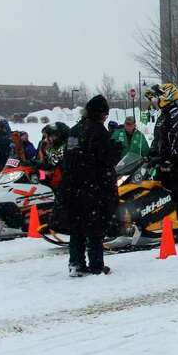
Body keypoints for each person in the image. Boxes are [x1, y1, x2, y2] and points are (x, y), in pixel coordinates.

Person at [59, 95, 119, 276]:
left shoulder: (75, 130)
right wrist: (116, 149)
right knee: (95, 228)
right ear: (100, 114)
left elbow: (69, 156)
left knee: (77, 229)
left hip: (73, 186)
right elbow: (106, 159)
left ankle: (75, 263)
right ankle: (96, 265)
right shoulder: (98, 131)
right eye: (105, 114)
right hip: (93, 187)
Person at [145, 82, 178, 225]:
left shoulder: (177, 115)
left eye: (157, 97)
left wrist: (171, 160)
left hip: (174, 166)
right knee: (157, 194)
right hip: (161, 164)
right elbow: (158, 140)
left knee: (176, 191)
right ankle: (160, 222)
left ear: (166, 97)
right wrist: (149, 155)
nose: (155, 101)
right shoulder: (163, 116)